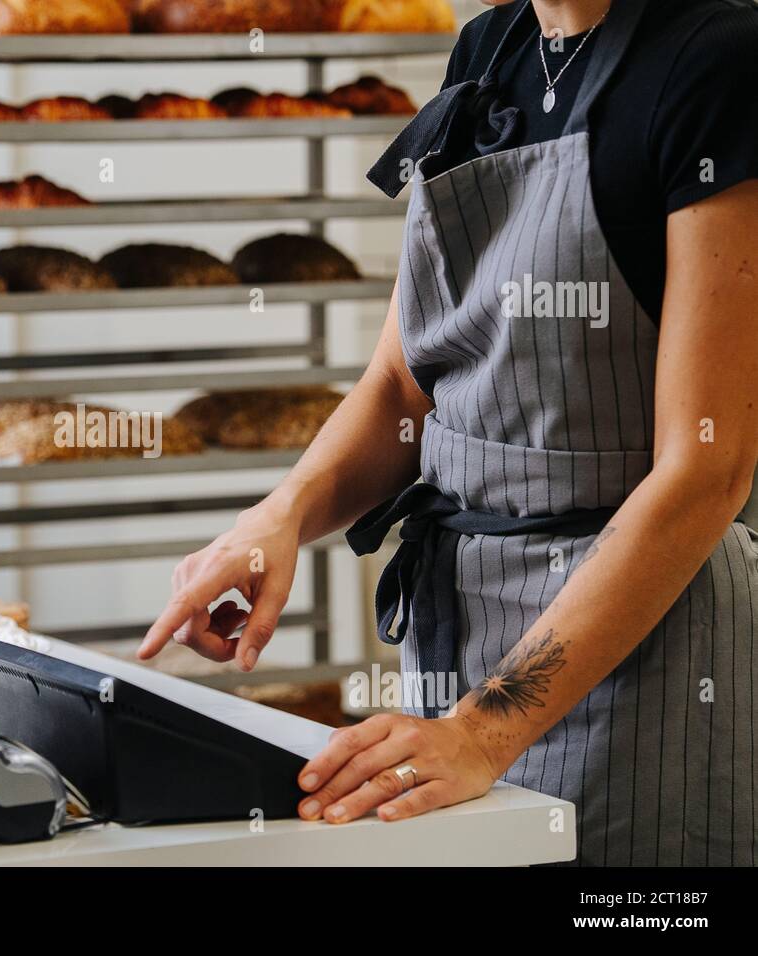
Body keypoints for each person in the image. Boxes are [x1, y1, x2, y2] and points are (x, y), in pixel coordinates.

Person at [139, 0, 758, 865]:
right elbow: (405, 382)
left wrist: (487, 727)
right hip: (460, 641)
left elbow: (706, 469)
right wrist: (277, 520)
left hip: (648, 654)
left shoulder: (718, 58)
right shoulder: (489, 47)